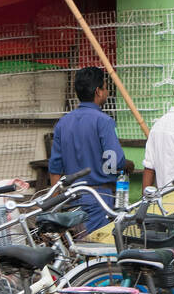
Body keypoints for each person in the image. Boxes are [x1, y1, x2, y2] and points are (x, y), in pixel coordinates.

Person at [49, 66, 128, 236]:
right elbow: (115, 159)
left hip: (70, 198)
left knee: (79, 247)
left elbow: (55, 169)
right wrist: (111, 172)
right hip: (99, 196)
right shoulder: (103, 121)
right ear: (98, 91)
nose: (107, 92)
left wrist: (55, 205)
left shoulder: (62, 123)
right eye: (106, 88)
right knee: (97, 251)